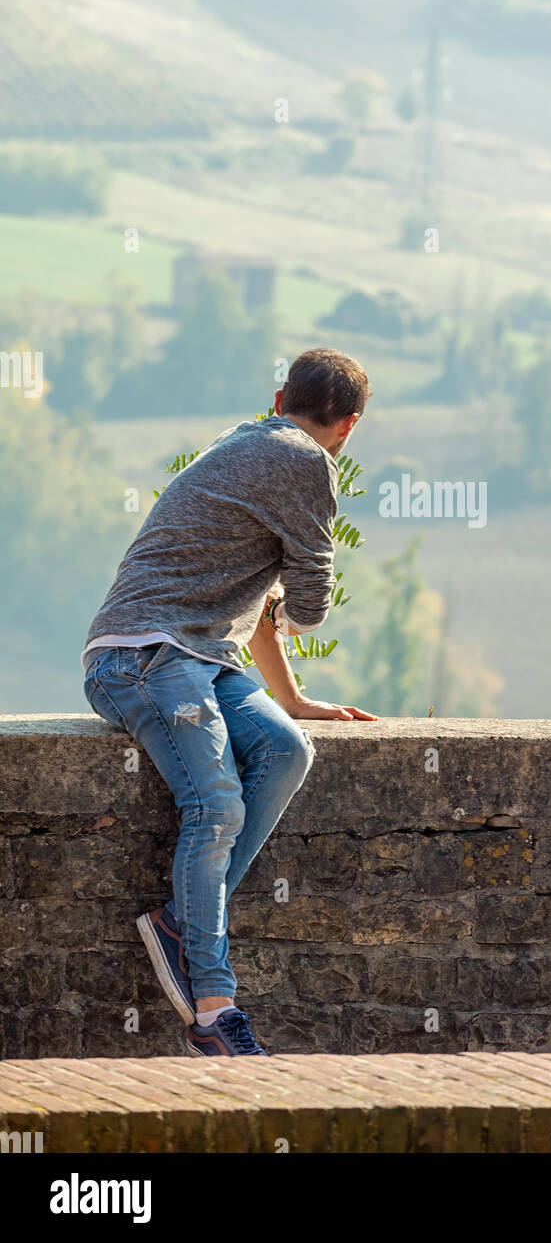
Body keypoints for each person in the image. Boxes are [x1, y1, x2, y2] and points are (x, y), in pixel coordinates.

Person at [81, 348, 377, 1056]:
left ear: (279, 398)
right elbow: (306, 609)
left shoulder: (244, 443)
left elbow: (263, 605)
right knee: (216, 803)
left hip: (202, 657)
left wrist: (294, 699)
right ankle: (214, 1010)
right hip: (144, 654)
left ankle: (180, 925)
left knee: (284, 750)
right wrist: (309, 595)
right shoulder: (307, 462)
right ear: (350, 425)